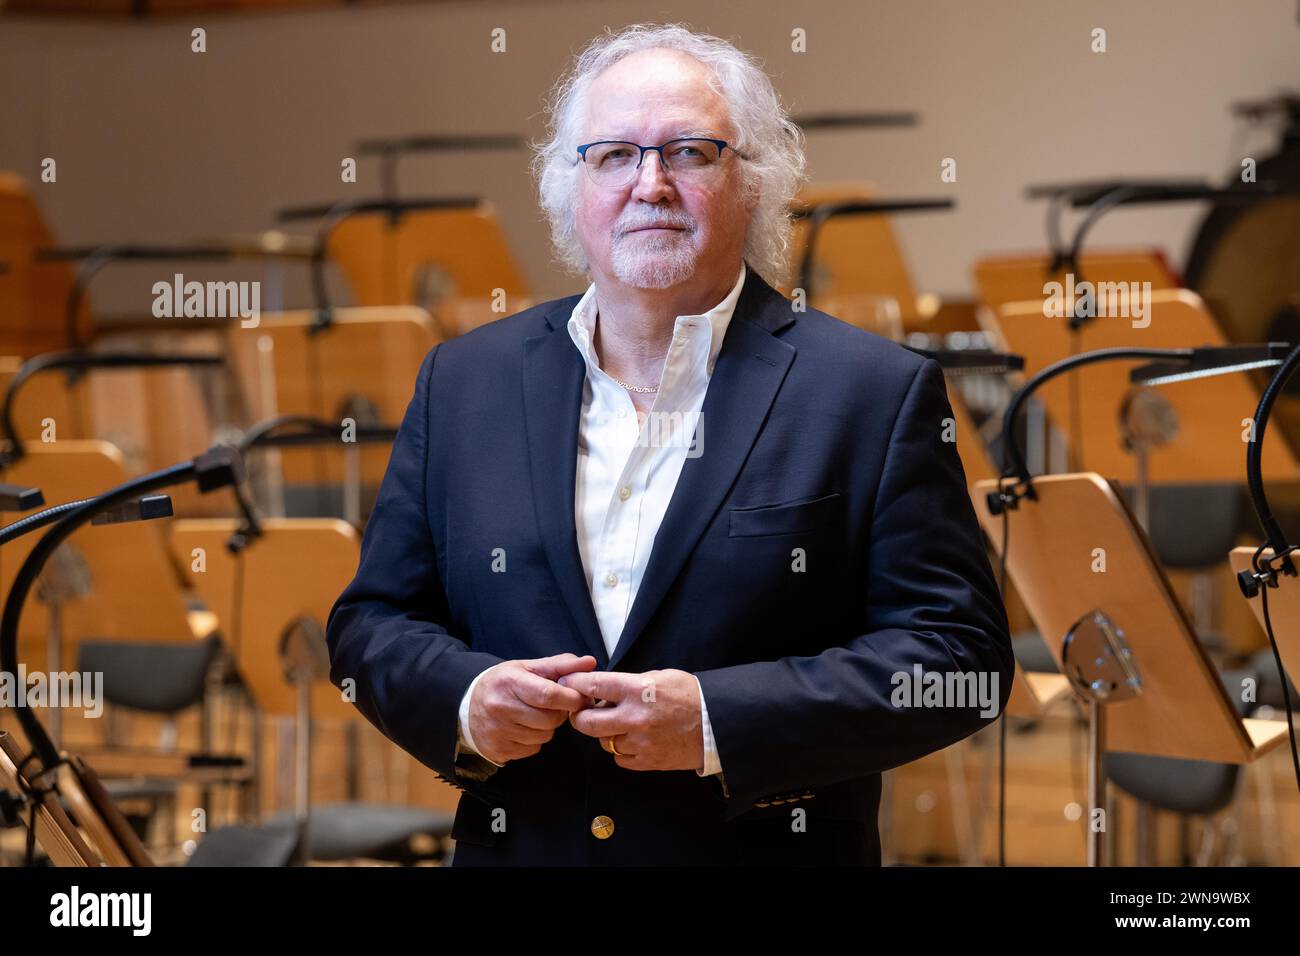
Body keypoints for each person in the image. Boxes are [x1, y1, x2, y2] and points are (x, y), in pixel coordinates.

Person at [326, 22, 1012, 866]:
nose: (650, 184)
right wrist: (465, 700)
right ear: (569, 189)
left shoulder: (872, 391)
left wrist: (720, 719)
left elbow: (958, 662)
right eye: (613, 155)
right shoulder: (465, 382)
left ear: (753, 184)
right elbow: (372, 623)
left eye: (689, 152)